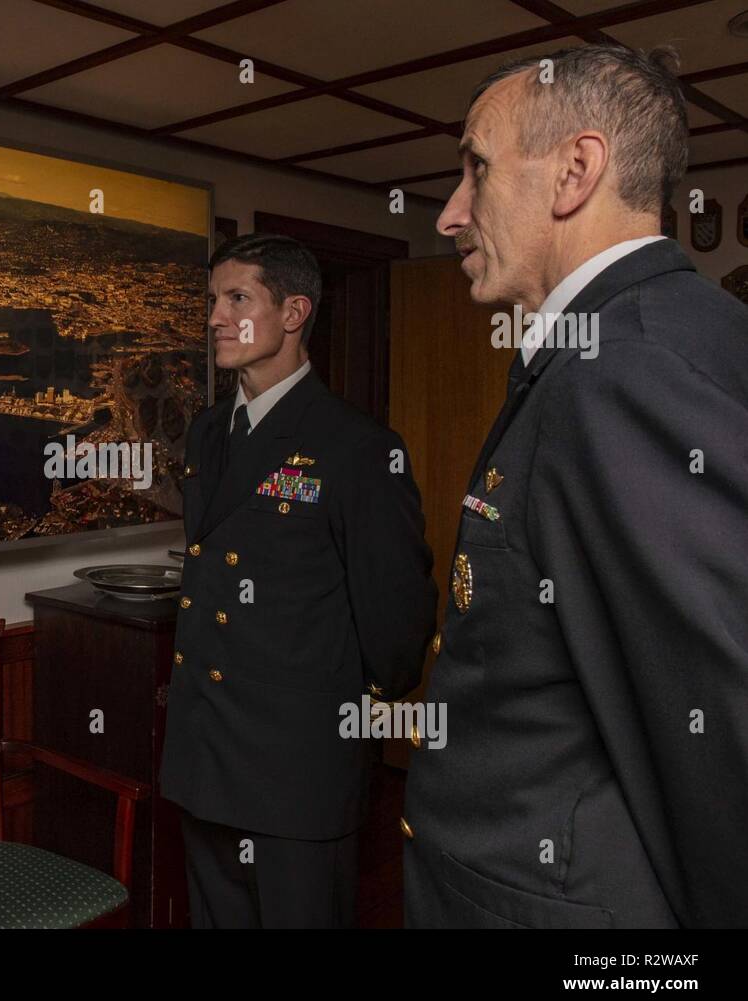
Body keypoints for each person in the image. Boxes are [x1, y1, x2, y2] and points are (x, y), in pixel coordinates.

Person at [403, 44, 748, 928]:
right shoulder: (665, 336)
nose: (448, 216)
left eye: (475, 167)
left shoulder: (624, 372)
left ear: (575, 172)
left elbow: (721, 732)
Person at [159, 233, 436, 928]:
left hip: (296, 771)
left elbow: (397, 634)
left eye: (238, 299)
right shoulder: (205, 433)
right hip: (205, 756)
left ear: (293, 312)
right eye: (213, 301)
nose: (217, 317)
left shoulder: (359, 448)